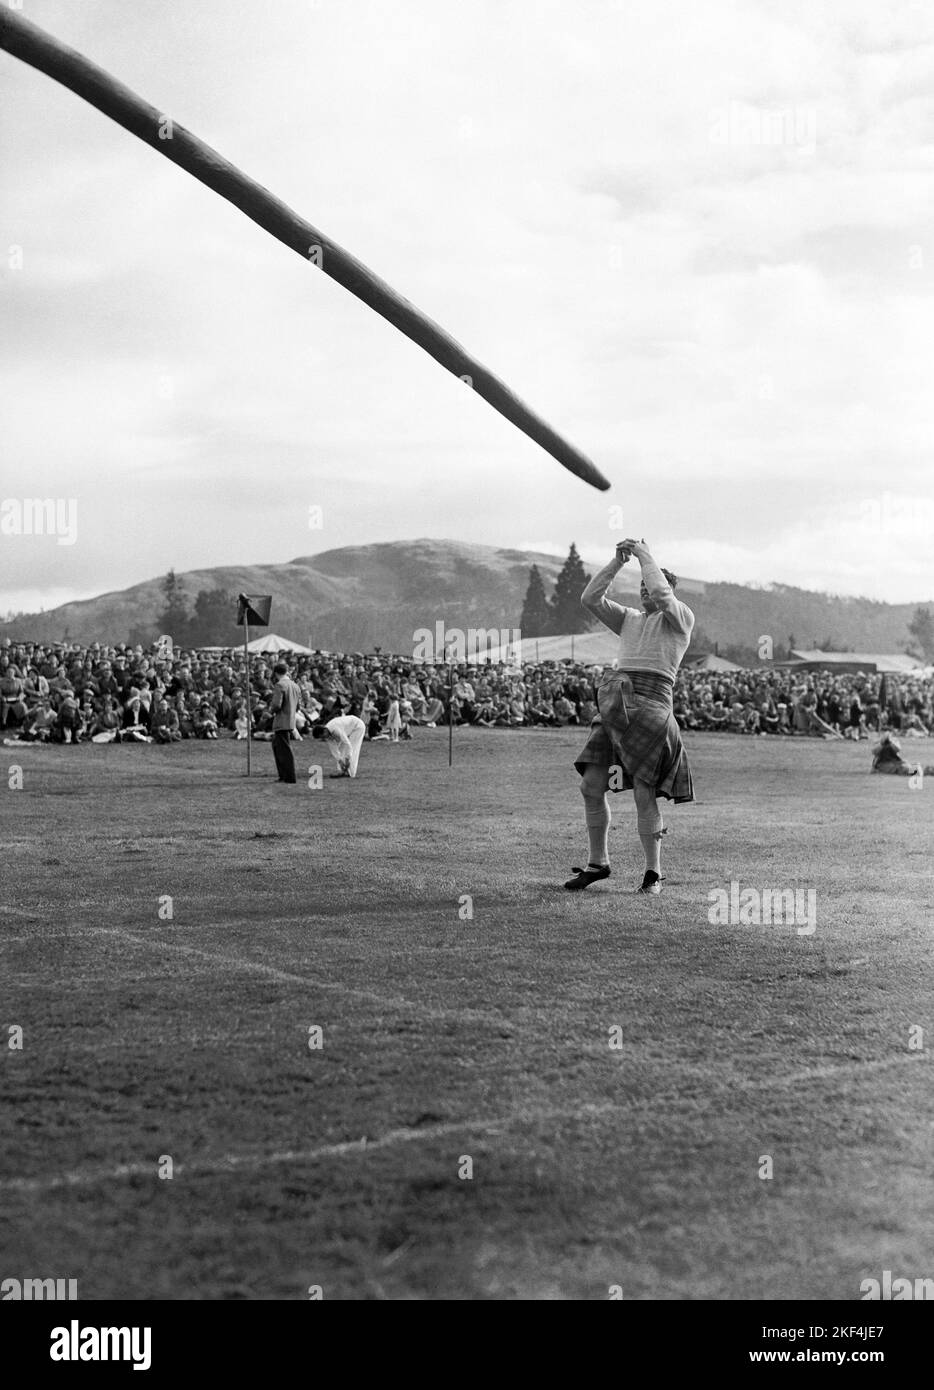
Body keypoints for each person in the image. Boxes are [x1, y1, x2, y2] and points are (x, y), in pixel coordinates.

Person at [567, 538, 695, 896]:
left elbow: (662, 592)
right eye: (640, 588)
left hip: (653, 707)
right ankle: (598, 864)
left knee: (643, 794)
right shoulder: (628, 619)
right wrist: (617, 561)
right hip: (616, 707)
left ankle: (653, 874)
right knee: (591, 786)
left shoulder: (680, 618)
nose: (645, 592)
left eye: (649, 586)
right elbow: (590, 599)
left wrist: (642, 555)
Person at [269, 661, 301, 783]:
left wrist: (270, 711)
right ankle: (283, 775)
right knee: (277, 746)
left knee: (284, 750)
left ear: (276, 673)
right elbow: (299, 707)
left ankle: (289, 777)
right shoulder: (295, 685)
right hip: (291, 719)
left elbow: (277, 705)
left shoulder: (280, 685)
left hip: (282, 720)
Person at [311, 712, 366, 778]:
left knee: (353, 748)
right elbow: (333, 749)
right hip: (349, 728)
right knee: (341, 749)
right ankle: (342, 770)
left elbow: (347, 744)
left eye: (323, 736)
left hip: (358, 726)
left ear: (324, 731)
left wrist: (347, 759)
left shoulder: (336, 729)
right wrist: (340, 761)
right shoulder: (327, 733)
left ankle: (350, 773)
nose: (324, 738)